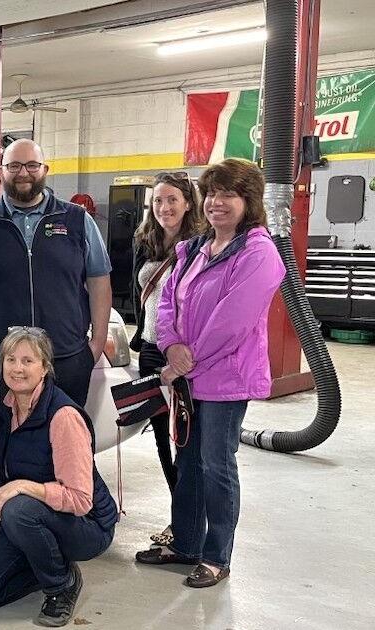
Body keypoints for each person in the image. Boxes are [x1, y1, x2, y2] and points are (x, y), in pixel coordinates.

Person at [135, 158, 284, 588]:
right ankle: (185, 543)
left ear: (249, 201)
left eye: (229, 195)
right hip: (188, 375)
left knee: (216, 465)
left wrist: (187, 356)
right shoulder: (195, 248)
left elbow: (232, 321)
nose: (218, 203)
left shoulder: (258, 252)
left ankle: (217, 555)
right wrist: (171, 345)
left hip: (225, 379)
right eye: (213, 193)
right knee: (189, 462)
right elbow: (166, 305)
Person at [0, 328, 118, 628]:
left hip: (87, 526)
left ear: (45, 367)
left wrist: (22, 486)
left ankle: (61, 584)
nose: (17, 368)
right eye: (10, 359)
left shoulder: (63, 417)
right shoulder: (5, 408)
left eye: (27, 360)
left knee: (17, 508)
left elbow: (81, 500)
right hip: (35, 519)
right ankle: (46, 561)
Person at [0, 139, 112, 407]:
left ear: (45, 169)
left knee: (65, 440)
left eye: (32, 165)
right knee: (1, 444)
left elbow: (99, 280)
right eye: (14, 166)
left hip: (65, 359)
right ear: (1, 172)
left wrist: (97, 343)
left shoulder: (77, 220)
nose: (23, 173)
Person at [129, 171, 206, 547]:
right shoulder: (145, 240)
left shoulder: (203, 244)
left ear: (188, 202)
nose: (164, 208)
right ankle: (181, 520)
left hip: (187, 355)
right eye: (157, 201)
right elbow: (137, 291)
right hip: (150, 352)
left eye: (172, 199)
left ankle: (192, 524)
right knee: (163, 437)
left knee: (188, 442)